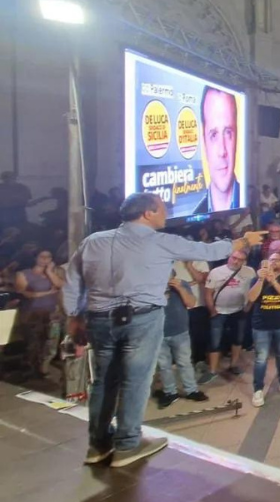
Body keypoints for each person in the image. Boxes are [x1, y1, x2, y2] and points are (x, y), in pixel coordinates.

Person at [63, 193, 263, 466]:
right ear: (147, 213)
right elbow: (208, 251)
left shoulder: (92, 241)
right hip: (141, 319)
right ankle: (127, 444)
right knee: (135, 381)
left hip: (99, 320)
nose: (166, 213)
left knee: (103, 382)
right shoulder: (160, 242)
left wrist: (73, 316)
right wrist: (243, 241)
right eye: (162, 208)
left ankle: (98, 445)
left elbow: (73, 280)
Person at [246, 252, 280, 407]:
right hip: (261, 325)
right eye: (271, 259)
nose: (273, 262)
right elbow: (251, 298)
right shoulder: (256, 279)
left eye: (277, 260)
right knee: (261, 358)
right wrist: (261, 279)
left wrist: (273, 281)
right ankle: (258, 389)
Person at [155, 272, 209, 409]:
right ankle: (170, 392)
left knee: (184, 362)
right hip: (157, 334)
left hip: (180, 331)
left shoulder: (182, 284)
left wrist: (180, 288)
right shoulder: (150, 286)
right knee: (164, 365)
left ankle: (191, 390)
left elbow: (191, 303)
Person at [201, 250, 255, 383]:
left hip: (239, 310)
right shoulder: (216, 272)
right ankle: (212, 370)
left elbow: (254, 289)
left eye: (240, 259)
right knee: (215, 341)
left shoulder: (250, 272)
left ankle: (234, 365)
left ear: (244, 261)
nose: (236, 261)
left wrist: (249, 306)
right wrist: (212, 310)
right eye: (234, 258)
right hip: (219, 311)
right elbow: (208, 293)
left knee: (238, 339)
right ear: (229, 257)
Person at [14, 249, 64, 375]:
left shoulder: (54, 273)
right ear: (36, 257)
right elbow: (26, 293)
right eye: (42, 256)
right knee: (34, 343)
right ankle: (30, 367)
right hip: (32, 313)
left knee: (51, 343)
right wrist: (48, 292)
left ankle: (43, 368)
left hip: (52, 313)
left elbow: (61, 285)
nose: (45, 259)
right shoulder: (24, 274)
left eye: (48, 257)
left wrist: (49, 272)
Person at [193, 87, 241, 214]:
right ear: (204, 140)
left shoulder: (251, 205)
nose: (222, 151)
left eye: (228, 133)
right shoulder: (196, 213)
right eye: (213, 135)